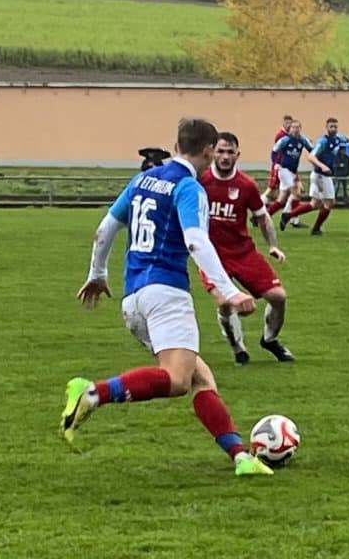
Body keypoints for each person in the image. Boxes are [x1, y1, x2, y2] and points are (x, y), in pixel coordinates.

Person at [61, 117, 274, 476]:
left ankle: (240, 458)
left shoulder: (142, 179)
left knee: (200, 378)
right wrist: (230, 291)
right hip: (166, 293)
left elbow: (105, 228)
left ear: (176, 145)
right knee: (176, 380)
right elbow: (195, 241)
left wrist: (97, 274)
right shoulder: (190, 188)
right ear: (208, 150)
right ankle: (93, 392)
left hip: (133, 299)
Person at [199, 131, 294, 364]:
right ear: (212, 152)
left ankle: (270, 339)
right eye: (220, 151)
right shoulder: (199, 181)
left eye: (230, 152)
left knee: (278, 297)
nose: (225, 156)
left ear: (237, 155)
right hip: (211, 255)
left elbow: (262, 217)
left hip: (243, 252)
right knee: (224, 302)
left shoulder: (246, 185)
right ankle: (238, 348)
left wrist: (273, 246)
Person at [285, 118, 349, 235]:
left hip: (321, 175)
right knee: (329, 203)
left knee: (315, 204)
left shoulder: (338, 138)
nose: (333, 129)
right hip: (321, 175)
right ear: (326, 127)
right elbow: (311, 157)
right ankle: (315, 229)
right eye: (331, 127)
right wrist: (323, 166)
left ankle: (288, 215)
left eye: (335, 127)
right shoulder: (323, 141)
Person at [267, 119, 330, 225]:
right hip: (284, 169)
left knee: (282, 198)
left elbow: (311, 149)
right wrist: (275, 163)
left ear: (300, 129)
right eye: (293, 127)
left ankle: (264, 216)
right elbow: (274, 151)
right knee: (296, 194)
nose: (295, 130)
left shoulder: (302, 139)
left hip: (292, 170)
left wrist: (318, 155)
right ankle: (292, 218)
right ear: (290, 129)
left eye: (298, 127)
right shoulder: (285, 139)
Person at [262, 114, 294, 205]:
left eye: (290, 123)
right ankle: (259, 206)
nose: (289, 125)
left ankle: (291, 216)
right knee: (272, 189)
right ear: (283, 123)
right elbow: (277, 152)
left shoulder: (289, 136)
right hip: (279, 166)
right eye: (287, 123)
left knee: (289, 191)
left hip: (286, 167)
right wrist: (276, 163)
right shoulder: (281, 135)